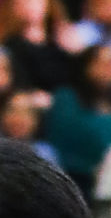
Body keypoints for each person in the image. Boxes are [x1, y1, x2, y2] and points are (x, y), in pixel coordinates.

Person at [0, 0, 78, 102]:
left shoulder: (63, 40)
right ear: (11, 5)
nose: (29, 4)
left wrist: (77, 54)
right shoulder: (8, 46)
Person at [43, 42, 111, 201]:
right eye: (103, 64)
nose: (108, 70)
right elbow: (70, 138)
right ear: (86, 66)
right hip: (74, 177)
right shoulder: (66, 97)